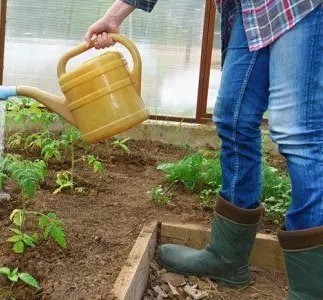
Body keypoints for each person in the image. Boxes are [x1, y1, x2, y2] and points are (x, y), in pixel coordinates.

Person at [85, 0, 323, 298]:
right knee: (233, 120)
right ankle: (227, 259)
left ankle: (311, 291)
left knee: (297, 132)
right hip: (249, 10)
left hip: (298, 6)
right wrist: (115, 15)